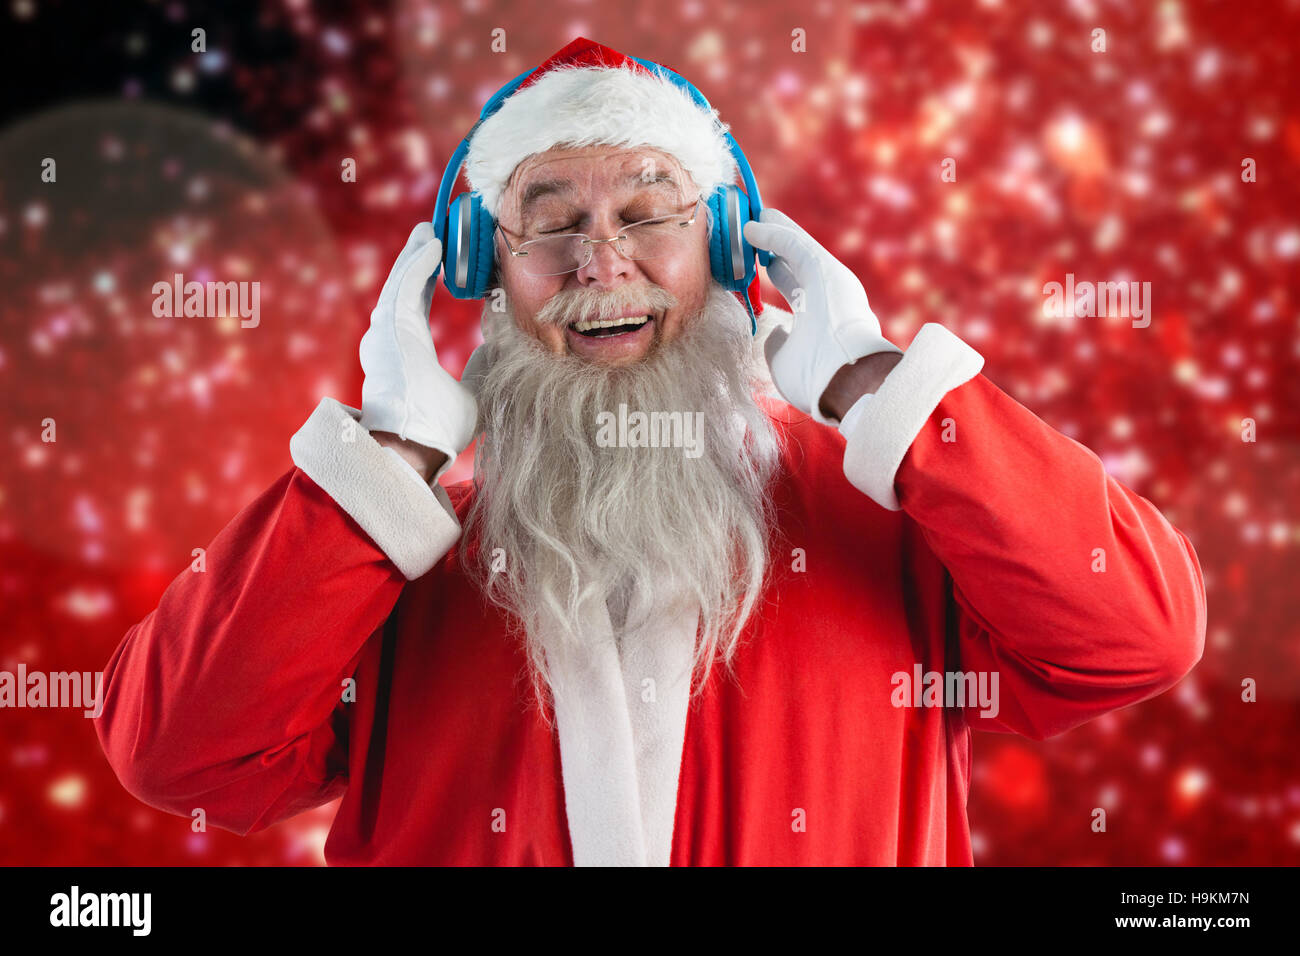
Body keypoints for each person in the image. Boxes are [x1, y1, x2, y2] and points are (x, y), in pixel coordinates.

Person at [94, 37, 1206, 866]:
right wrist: (390, 451)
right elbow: (179, 751)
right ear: (482, 263)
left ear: (726, 242)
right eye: (549, 220)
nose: (599, 262)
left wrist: (880, 386)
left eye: (648, 211)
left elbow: (1133, 635)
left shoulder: (901, 512)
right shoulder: (380, 556)